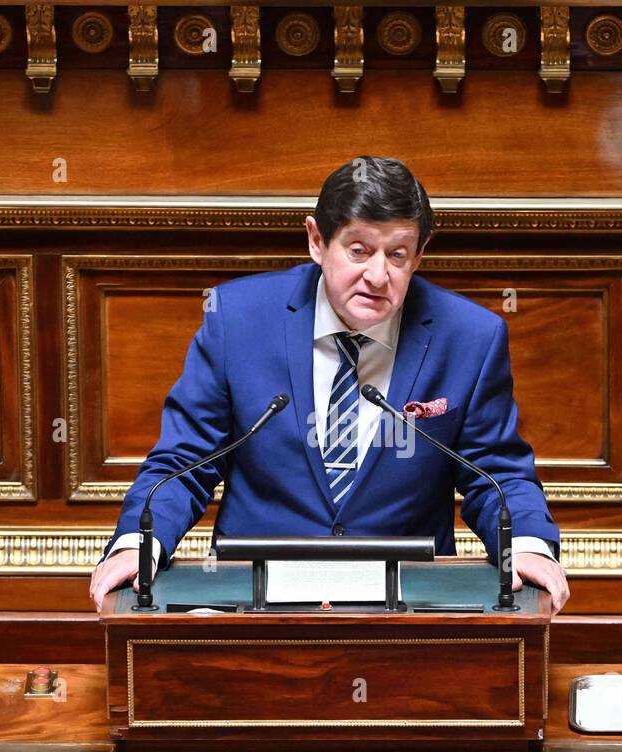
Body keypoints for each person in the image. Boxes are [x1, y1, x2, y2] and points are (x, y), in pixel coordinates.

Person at [90, 156, 569, 614]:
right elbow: (185, 461)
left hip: (408, 610)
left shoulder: (470, 337)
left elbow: (496, 469)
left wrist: (525, 546)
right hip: (254, 601)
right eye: (358, 250)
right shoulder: (237, 320)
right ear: (317, 240)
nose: (378, 275)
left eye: (398, 254)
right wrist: (139, 543)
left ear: (420, 254)